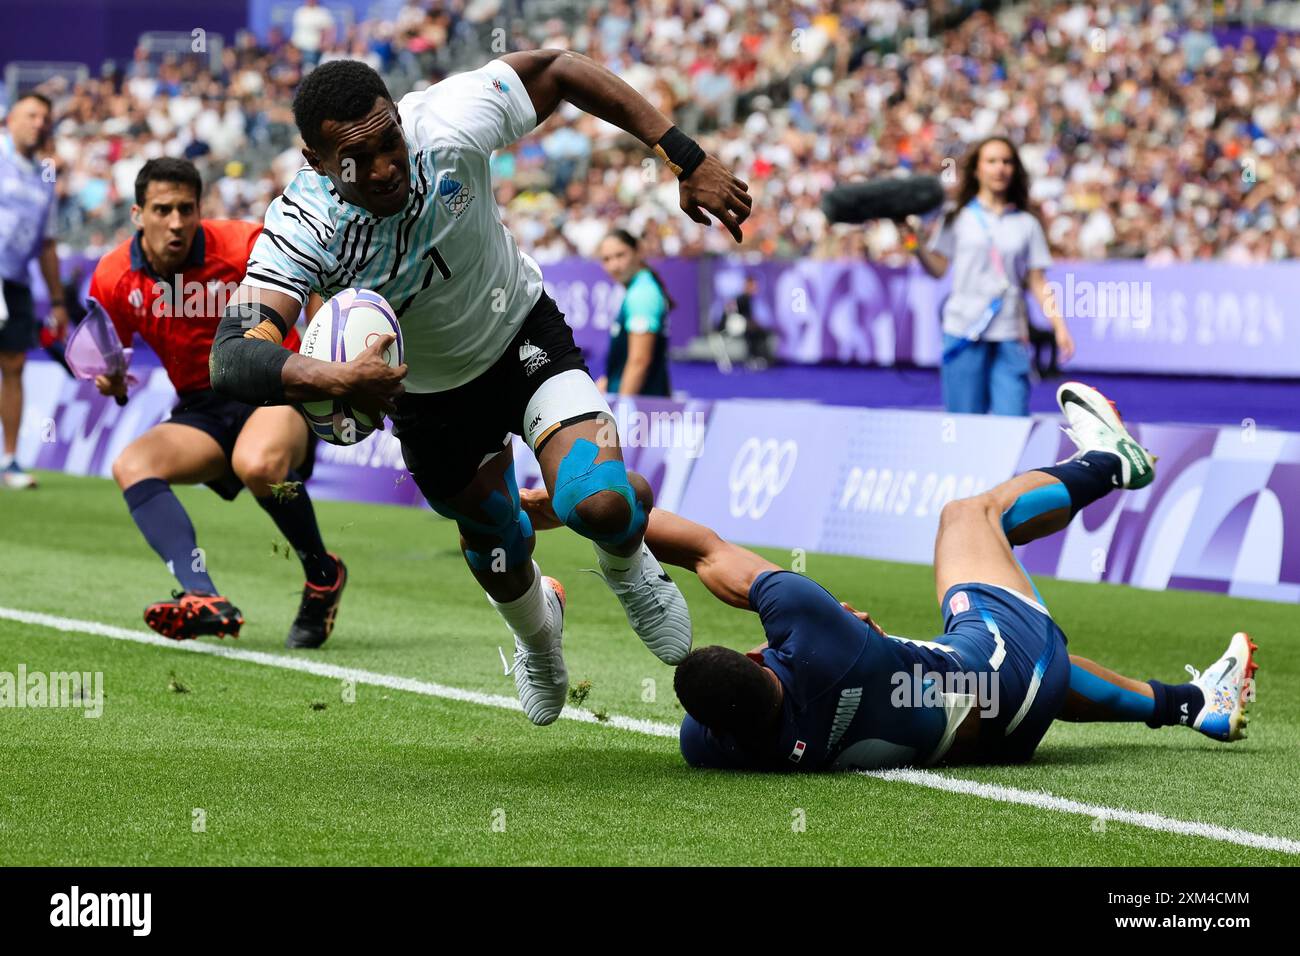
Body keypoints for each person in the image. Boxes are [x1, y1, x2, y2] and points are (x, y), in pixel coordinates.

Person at [208, 53, 752, 725]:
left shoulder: (447, 120)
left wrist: (683, 154)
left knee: (603, 505)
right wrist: (335, 378)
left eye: (389, 142)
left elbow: (561, 70)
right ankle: (540, 638)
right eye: (357, 157)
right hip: (427, 398)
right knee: (498, 544)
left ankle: (628, 565)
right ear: (317, 161)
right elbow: (231, 357)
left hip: (522, 335)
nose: (384, 168)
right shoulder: (301, 226)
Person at [522, 381, 1257, 771]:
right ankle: (1110, 464)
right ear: (757, 653)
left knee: (1011, 671)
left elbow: (729, 707)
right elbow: (708, 550)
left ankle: (1194, 704)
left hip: (1000, 734)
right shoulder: (815, 635)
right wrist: (593, 512)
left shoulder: (719, 749)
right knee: (968, 516)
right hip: (1003, 670)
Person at [89, 158, 346, 647]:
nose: (177, 222)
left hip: (275, 387)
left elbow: (317, 277)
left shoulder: (242, 245)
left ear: (199, 208)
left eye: (187, 208)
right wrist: (112, 381)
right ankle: (201, 595)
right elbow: (113, 358)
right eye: (162, 209)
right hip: (200, 408)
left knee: (258, 462)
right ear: (137, 214)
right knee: (131, 464)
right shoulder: (112, 277)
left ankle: (322, 575)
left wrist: (320, 347)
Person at [904, 136, 1074, 417]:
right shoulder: (955, 218)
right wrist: (915, 245)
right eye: (992, 161)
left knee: (1014, 423)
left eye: (1007, 162)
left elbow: (1037, 281)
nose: (1000, 168)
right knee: (964, 425)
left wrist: (1059, 325)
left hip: (1010, 333)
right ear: (976, 169)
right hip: (963, 331)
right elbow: (938, 269)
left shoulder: (1027, 223)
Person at [0, 92, 67, 489]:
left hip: (16, 282)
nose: (38, 122)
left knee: (14, 365)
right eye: (31, 114)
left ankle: (9, 460)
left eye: (45, 116)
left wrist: (58, 301)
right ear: (10, 118)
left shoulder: (45, 176)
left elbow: (47, 243)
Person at [595, 229, 672, 397]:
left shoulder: (642, 293)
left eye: (620, 255)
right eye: (606, 259)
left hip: (642, 411)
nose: (614, 265)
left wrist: (621, 410)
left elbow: (639, 362)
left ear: (637, 252)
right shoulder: (638, 288)